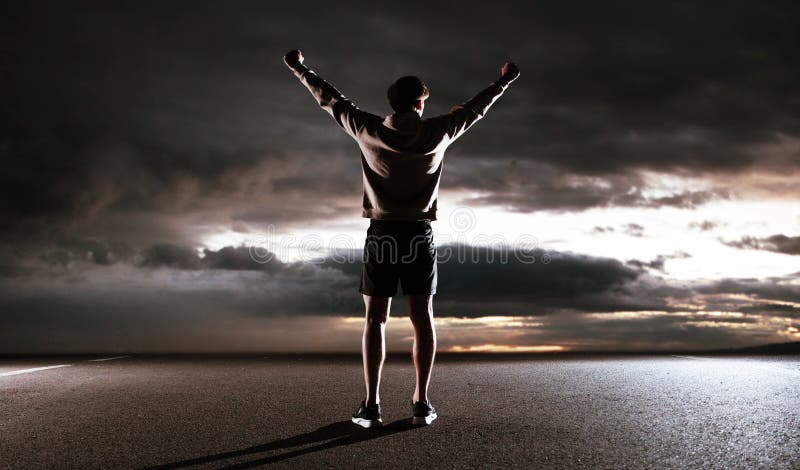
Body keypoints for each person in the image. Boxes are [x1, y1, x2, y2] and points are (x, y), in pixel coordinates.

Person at [283, 49, 519, 427]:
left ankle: (371, 405)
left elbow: (329, 98)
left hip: (382, 233)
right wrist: (503, 81)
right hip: (418, 234)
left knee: (375, 319)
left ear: (392, 103)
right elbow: (476, 108)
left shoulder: (368, 129)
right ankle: (421, 403)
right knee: (422, 318)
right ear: (421, 103)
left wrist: (299, 68)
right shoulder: (436, 131)